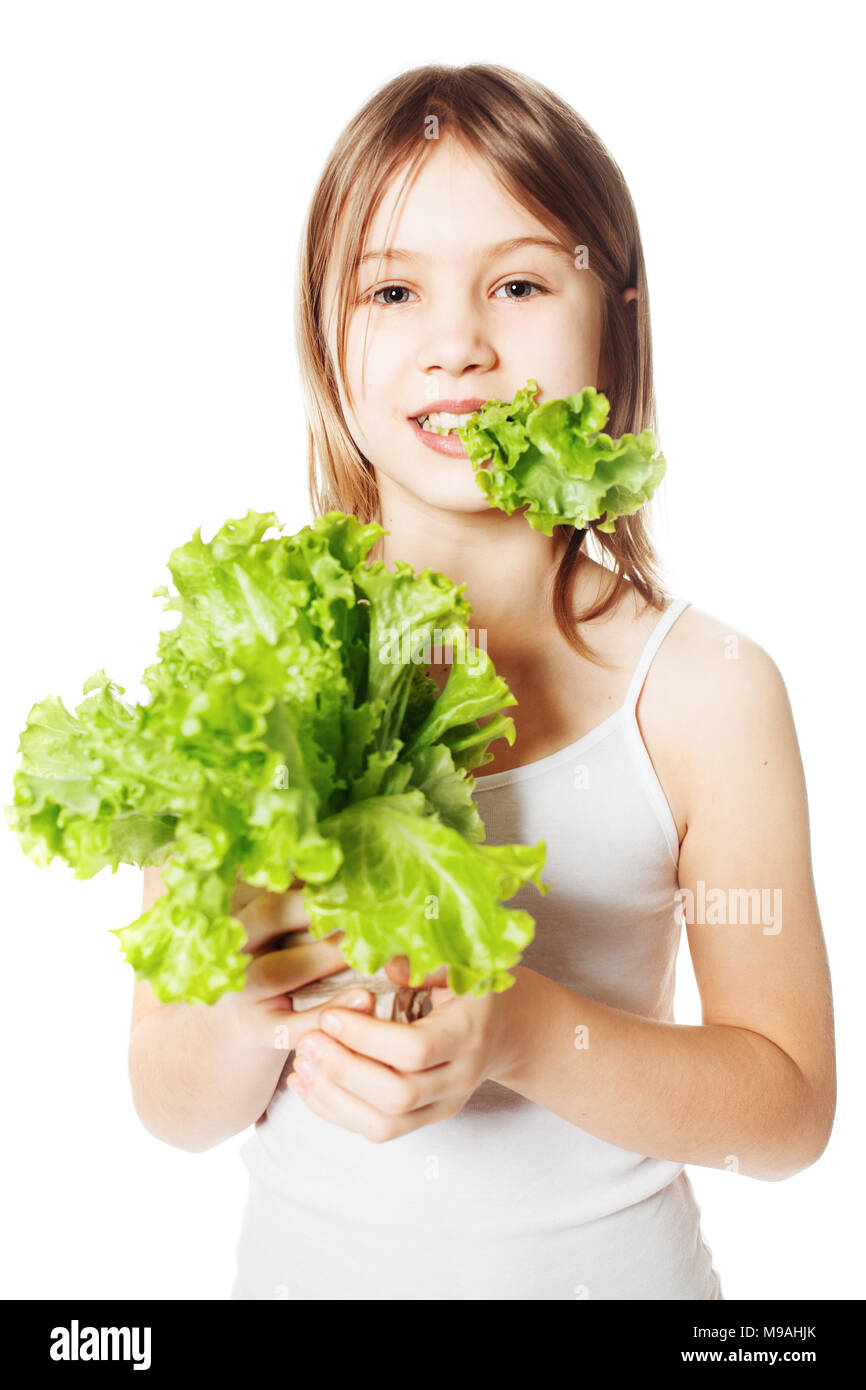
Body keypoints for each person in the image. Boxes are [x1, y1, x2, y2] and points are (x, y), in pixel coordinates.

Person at [129, 63, 836, 1300]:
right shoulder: (250, 670)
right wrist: (251, 993)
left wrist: (518, 1031)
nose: (456, 342)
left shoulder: (702, 693)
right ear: (321, 335)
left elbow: (781, 1113)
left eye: (517, 283)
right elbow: (172, 1108)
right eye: (391, 290)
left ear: (613, 318)